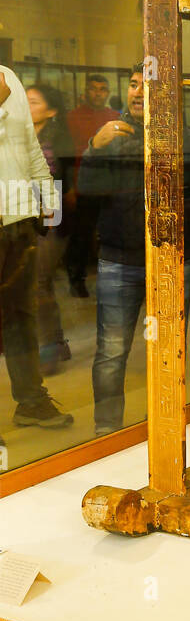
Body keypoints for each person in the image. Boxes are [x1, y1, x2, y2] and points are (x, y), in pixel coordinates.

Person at [78, 63, 190, 435]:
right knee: (111, 354)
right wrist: (93, 149)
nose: (137, 92)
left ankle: (166, 431)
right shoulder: (110, 135)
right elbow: (86, 193)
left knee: (169, 351)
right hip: (118, 262)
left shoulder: (184, 138)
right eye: (133, 85)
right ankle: (106, 435)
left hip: (171, 263)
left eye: (146, 85)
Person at [0, 64, 74, 434]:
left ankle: (31, 402)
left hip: (18, 220)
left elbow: (30, 148)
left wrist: (50, 208)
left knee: (20, 317)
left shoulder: (8, 76)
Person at [27, 83, 77, 375]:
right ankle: (57, 342)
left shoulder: (59, 138)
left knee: (39, 282)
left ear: (51, 110)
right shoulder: (15, 133)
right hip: (18, 212)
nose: (28, 106)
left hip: (50, 213)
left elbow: (62, 185)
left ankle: (48, 349)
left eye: (34, 102)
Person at [66, 73, 118, 298]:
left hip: (110, 185)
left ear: (108, 93)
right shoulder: (71, 118)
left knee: (112, 233)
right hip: (83, 185)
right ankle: (76, 280)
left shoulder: (115, 117)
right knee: (81, 235)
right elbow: (64, 156)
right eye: (94, 88)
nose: (98, 93)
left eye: (102, 89)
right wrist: (68, 188)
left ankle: (113, 280)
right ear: (86, 92)